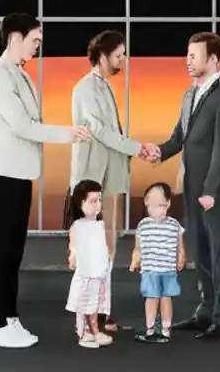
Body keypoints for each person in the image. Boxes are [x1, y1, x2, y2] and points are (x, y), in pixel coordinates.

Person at [0, 12, 91, 349]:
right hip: (1, 173)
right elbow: (22, 126)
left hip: (19, 173)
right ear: (15, 37)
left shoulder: (20, 76)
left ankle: (10, 318)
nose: (38, 47)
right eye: (35, 40)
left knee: (13, 252)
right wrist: (68, 133)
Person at [150, 31, 220, 339]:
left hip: (211, 191)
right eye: (187, 55)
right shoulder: (189, 95)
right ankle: (206, 310)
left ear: (213, 59)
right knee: (201, 250)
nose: (187, 61)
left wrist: (211, 189)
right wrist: (158, 152)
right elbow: (180, 138)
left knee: (218, 251)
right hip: (192, 186)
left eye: (193, 55)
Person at [67, 29, 158, 335]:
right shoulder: (85, 89)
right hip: (93, 181)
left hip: (109, 179)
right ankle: (89, 318)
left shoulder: (103, 87)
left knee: (108, 248)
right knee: (94, 250)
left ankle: (102, 314)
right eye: (119, 54)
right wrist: (137, 148)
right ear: (102, 55)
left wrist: (133, 151)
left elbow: (110, 134)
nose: (122, 60)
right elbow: (100, 131)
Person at [129, 181, 186, 343]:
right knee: (151, 298)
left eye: (160, 205)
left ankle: (166, 328)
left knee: (166, 297)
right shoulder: (143, 225)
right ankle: (150, 327)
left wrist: (181, 258)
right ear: (146, 203)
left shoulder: (174, 225)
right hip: (149, 270)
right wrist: (135, 261)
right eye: (151, 205)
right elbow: (138, 247)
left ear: (168, 204)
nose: (156, 209)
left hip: (168, 270)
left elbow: (180, 245)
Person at [66, 179, 114, 349]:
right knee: (86, 304)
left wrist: (107, 259)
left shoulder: (100, 225)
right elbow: (74, 246)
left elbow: (103, 246)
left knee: (95, 303)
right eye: (93, 201)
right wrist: (73, 256)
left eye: (99, 200)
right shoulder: (77, 226)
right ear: (81, 203)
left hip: (99, 271)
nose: (98, 205)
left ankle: (94, 330)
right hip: (87, 271)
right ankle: (86, 332)